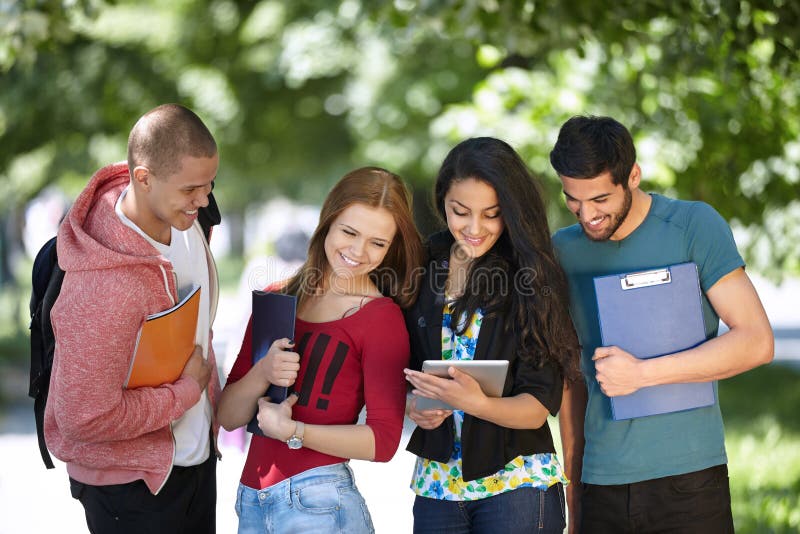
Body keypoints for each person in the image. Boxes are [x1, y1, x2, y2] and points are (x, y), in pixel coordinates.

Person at [550, 115, 775, 533]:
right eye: (573, 200)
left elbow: (756, 341)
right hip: (602, 481)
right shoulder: (563, 251)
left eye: (599, 199)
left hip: (689, 478)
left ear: (633, 176)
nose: (587, 215)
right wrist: (573, 486)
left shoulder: (693, 227)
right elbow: (571, 378)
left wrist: (641, 374)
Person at [217, 167, 424, 534]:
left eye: (378, 242)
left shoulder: (380, 317)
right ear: (327, 222)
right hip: (251, 501)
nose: (358, 252)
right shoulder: (278, 298)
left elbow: (384, 441)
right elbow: (229, 416)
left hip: (321, 504)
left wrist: (294, 431)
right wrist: (263, 373)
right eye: (349, 232)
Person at [44, 104, 221, 533]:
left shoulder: (186, 220)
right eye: (191, 189)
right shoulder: (101, 285)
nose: (204, 200)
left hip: (193, 467)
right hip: (132, 488)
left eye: (210, 184)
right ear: (143, 178)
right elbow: (83, 419)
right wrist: (185, 393)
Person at [403, 137, 582, 533]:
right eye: (460, 212)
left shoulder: (532, 276)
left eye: (492, 214)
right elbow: (405, 365)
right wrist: (415, 405)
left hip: (517, 484)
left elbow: (538, 404)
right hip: (437, 488)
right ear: (442, 202)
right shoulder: (421, 263)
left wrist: (475, 402)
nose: (474, 228)